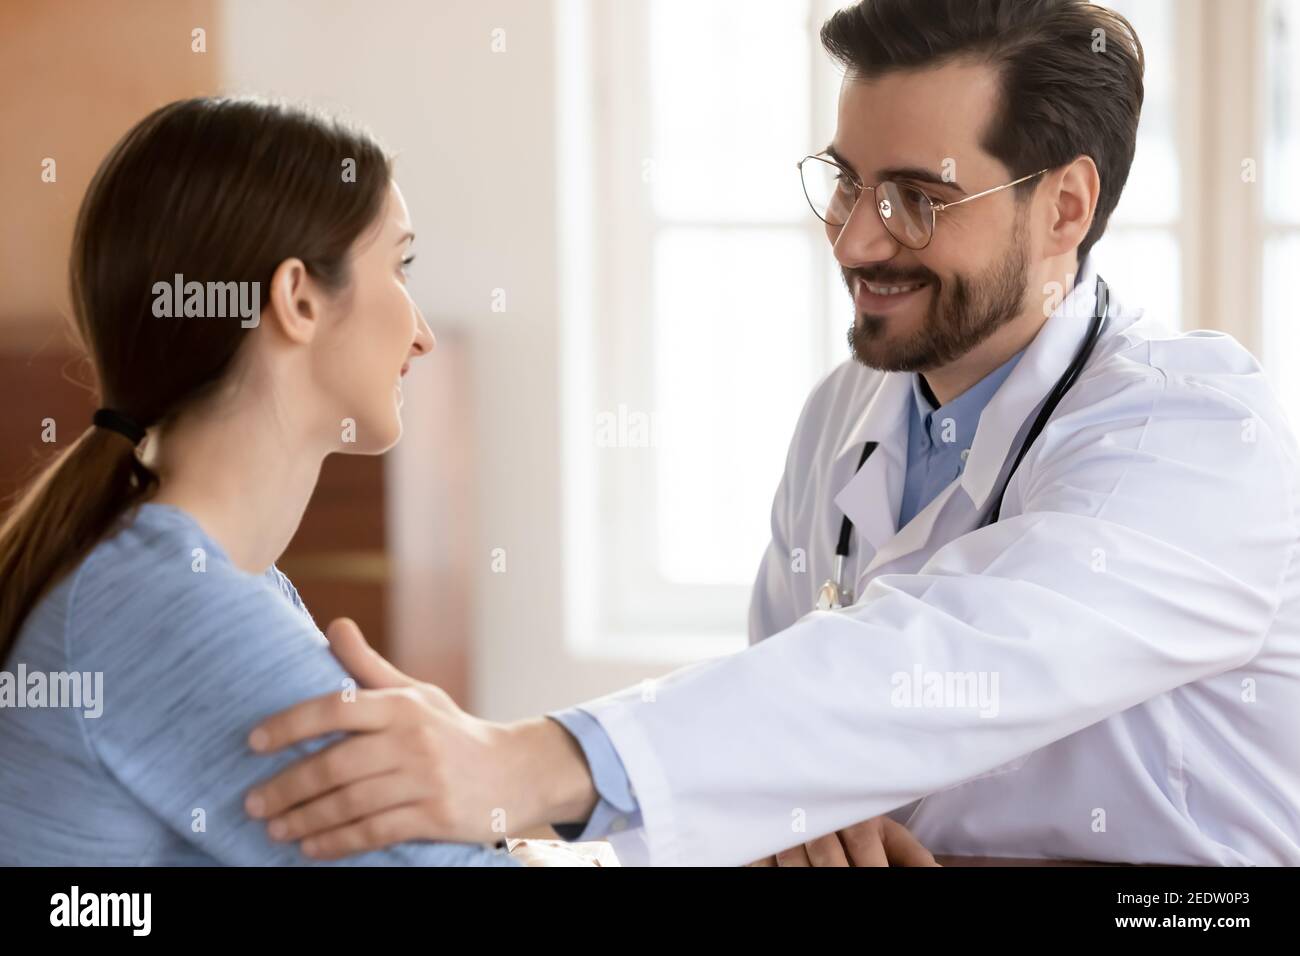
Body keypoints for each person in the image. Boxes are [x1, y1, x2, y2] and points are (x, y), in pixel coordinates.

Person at [242, 0, 1300, 868]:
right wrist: (798, 826)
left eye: (917, 198)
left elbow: (945, 654)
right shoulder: (847, 412)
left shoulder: (1193, 434)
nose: (854, 236)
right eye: (845, 180)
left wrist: (525, 761)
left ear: (1065, 207)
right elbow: (795, 724)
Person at [0, 96, 514, 866]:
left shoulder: (182, 577)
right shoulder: (170, 604)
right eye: (400, 265)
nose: (423, 333)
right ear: (298, 298)